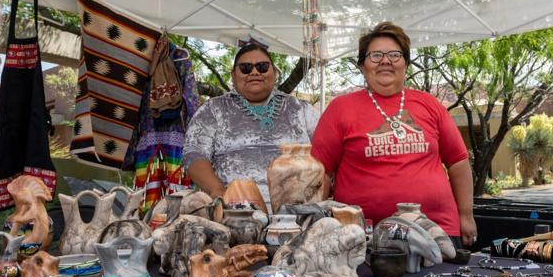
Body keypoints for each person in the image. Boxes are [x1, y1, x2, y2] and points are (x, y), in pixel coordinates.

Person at [311, 22, 477, 253]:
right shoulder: (340, 109)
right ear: (362, 66)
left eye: (394, 55)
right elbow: (319, 173)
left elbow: (458, 161)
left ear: (405, 64)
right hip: (364, 238)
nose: (385, 61)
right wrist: (319, 225)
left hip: (438, 231)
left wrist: (466, 215)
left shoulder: (430, 104)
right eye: (375, 55)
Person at [183, 38, 318, 205]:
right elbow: (194, 154)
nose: (254, 72)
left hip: (299, 208)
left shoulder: (300, 108)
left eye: (262, 67)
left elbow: (327, 152)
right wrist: (218, 191)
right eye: (245, 68)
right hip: (235, 209)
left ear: (274, 72)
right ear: (233, 75)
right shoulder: (213, 109)